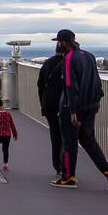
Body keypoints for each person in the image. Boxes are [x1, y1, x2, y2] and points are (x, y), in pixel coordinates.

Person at [51, 28, 108, 191]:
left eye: (59, 42)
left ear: (63, 42)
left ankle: (68, 177)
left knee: (69, 142)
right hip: (90, 105)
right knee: (89, 141)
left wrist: (73, 111)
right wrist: (96, 103)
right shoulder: (89, 56)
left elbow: (71, 86)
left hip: (72, 108)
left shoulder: (69, 59)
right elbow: (97, 81)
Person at [36, 44, 66, 181]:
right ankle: (66, 166)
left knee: (55, 134)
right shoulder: (68, 63)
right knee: (66, 136)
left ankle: (58, 166)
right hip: (64, 103)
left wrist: (43, 103)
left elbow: (40, 84)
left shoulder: (47, 63)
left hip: (49, 104)